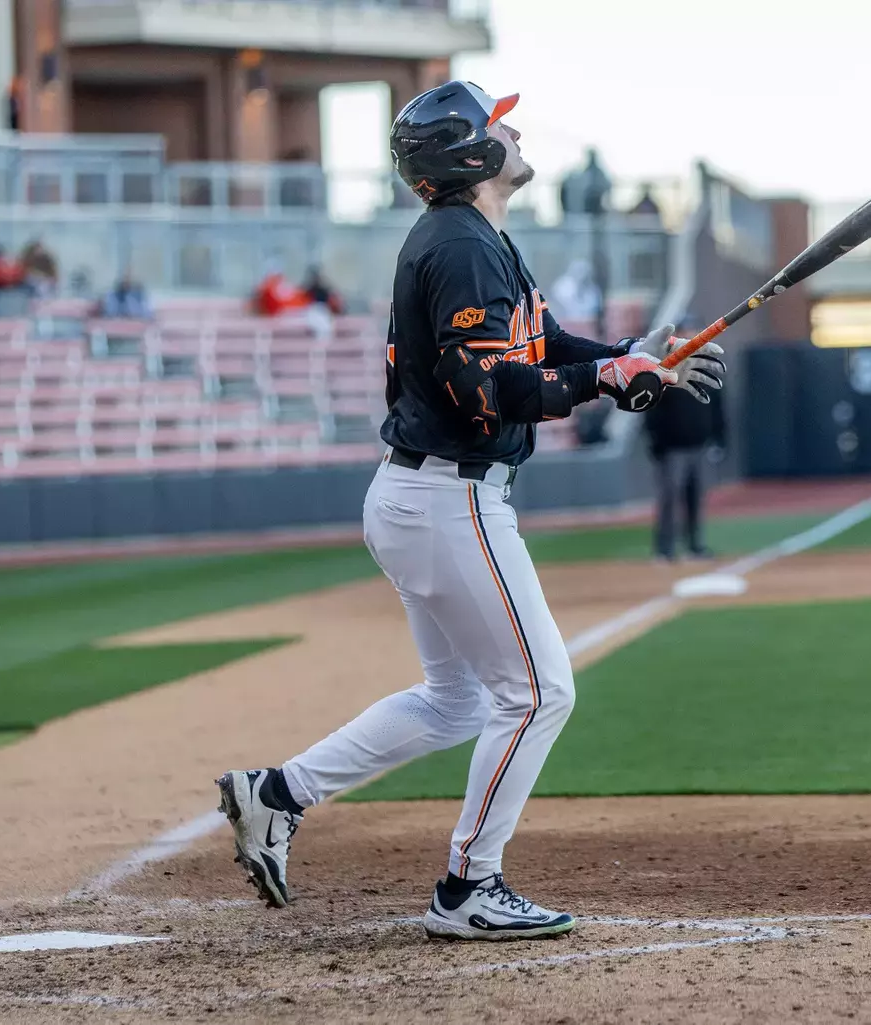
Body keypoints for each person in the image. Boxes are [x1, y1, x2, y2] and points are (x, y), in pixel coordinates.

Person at [215, 81, 724, 942]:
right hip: (449, 496)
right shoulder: (459, 245)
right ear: (468, 153)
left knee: (457, 702)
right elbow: (484, 392)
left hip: (427, 494)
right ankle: (468, 886)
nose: (514, 129)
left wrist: (631, 357)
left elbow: (545, 345)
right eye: (498, 123)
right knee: (536, 693)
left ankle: (278, 793)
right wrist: (602, 382)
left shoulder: (479, 237)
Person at [645, 348, 726, 561]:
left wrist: (719, 439)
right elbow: (652, 409)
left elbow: (717, 408)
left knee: (696, 499)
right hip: (673, 448)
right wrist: (657, 444)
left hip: (700, 446)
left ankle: (695, 546)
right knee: (670, 499)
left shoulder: (706, 373)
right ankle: (665, 549)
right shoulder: (666, 372)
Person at [548, 258, 601, 326]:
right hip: (565, 324)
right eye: (579, 270)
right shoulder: (562, 285)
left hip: (587, 325)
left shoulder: (593, 289)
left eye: (585, 271)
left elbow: (594, 308)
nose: (582, 274)